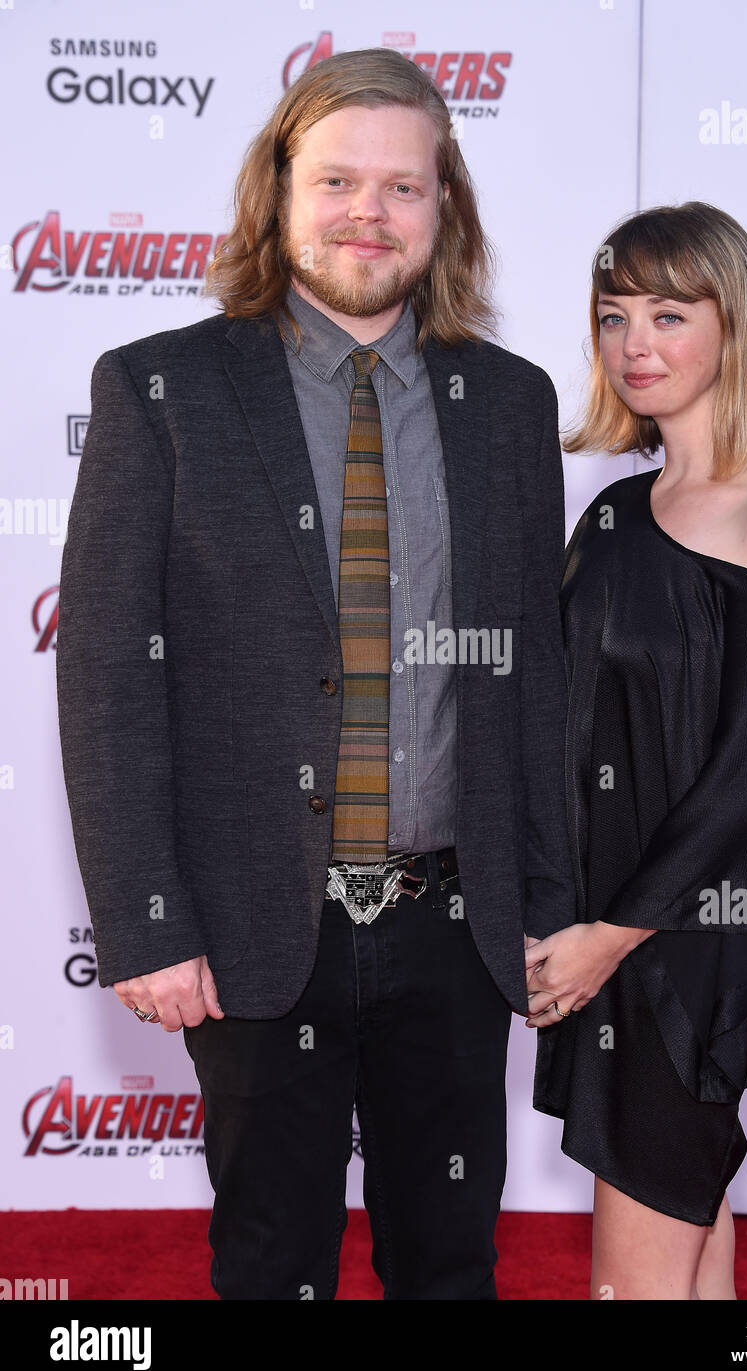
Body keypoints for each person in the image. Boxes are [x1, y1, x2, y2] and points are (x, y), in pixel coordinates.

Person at [56, 47, 575, 1300]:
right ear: (278, 192)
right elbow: (110, 673)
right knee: (272, 1263)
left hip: (455, 928)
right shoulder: (160, 389)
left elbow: (534, 683)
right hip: (246, 927)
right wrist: (147, 920)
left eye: (404, 187)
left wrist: (549, 896)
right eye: (338, 179)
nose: (369, 213)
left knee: (448, 1263)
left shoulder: (509, 403)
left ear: (443, 207)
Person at [528, 201, 747, 1300]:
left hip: (679, 944)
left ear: (734, 327)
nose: (634, 343)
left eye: (669, 314)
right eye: (612, 315)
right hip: (603, 925)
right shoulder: (615, 516)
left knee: (631, 1280)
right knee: (690, 1244)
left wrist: (607, 941)